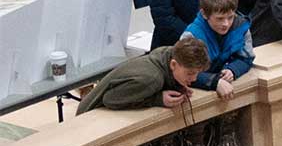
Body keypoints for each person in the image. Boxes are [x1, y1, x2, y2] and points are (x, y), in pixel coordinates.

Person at [77, 35, 212, 114]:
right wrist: (158, 100)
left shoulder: (167, 53)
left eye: (197, 74)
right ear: (173, 64)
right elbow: (110, 100)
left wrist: (178, 86)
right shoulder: (152, 79)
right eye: (190, 74)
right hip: (89, 114)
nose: (194, 79)